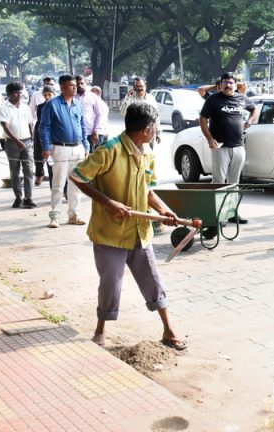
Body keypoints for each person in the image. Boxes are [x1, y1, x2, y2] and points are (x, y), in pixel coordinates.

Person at [68, 102, 186, 351]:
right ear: (146, 129)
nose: (155, 131)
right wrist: (109, 202)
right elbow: (77, 176)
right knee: (111, 283)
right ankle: (100, 331)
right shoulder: (109, 150)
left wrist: (163, 209)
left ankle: (168, 329)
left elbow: (148, 189)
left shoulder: (148, 153)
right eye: (154, 127)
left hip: (139, 232)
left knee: (153, 281)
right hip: (109, 233)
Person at [199, 72, 257, 224]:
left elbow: (254, 109)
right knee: (219, 183)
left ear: (235, 85)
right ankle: (218, 215)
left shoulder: (241, 98)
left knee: (234, 183)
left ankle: (232, 213)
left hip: (238, 147)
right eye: (225, 82)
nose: (228, 85)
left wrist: (249, 122)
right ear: (221, 84)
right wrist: (209, 138)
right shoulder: (213, 100)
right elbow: (202, 119)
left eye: (231, 82)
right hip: (220, 147)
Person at [39, 74, 89, 228]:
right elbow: (44, 127)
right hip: (60, 148)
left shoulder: (78, 104)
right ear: (62, 87)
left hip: (78, 147)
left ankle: (74, 214)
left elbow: (82, 126)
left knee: (76, 183)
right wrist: (46, 147)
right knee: (58, 184)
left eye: (75, 85)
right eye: (71, 85)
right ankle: (55, 216)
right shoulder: (52, 104)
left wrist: (86, 145)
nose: (75, 87)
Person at [0, 81, 35, 209]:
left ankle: (28, 198)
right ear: (9, 94)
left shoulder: (25, 107)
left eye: (20, 92)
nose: (19, 95)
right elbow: (5, 126)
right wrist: (17, 141)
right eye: (16, 92)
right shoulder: (4, 107)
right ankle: (18, 197)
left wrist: (31, 139)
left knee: (29, 170)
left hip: (27, 142)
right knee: (15, 171)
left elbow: (30, 124)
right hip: (12, 143)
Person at [32, 85, 55, 188]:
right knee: (38, 155)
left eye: (49, 94)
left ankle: (55, 187)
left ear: (53, 94)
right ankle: (39, 174)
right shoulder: (41, 106)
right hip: (41, 132)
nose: (47, 97)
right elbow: (41, 122)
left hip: (53, 135)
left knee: (52, 162)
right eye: (45, 95)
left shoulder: (58, 105)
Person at [74, 75, 103, 150]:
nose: (80, 85)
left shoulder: (93, 97)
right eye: (78, 84)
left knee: (90, 157)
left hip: (90, 132)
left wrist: (96, 131)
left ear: (85, 83)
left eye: (82, 83)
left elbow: (99, 114)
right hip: (75, 133)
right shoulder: (71, 97)